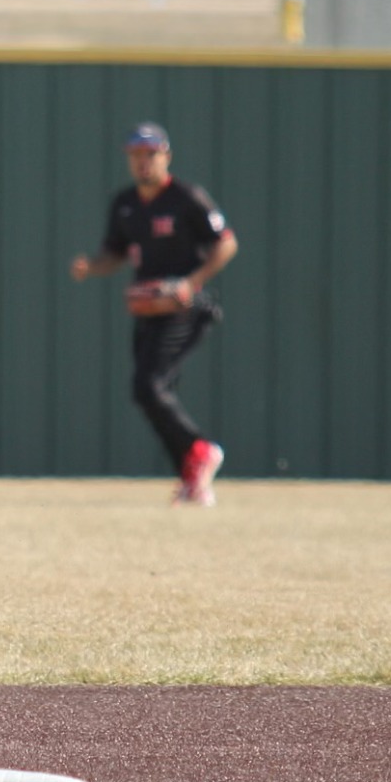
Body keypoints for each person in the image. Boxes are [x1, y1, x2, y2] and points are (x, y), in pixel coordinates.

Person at [70, 121, 239, 505]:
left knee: (149, 386)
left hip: (185, 306)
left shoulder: (186, 197)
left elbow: (225, 244)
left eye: (150, 154)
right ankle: (194, 478)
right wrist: (92, 266)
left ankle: (199, 451)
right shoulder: (125, 204)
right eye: (136, 155)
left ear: (166, 156)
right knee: (148, 392)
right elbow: (114, 252)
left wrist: (190, 283)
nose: (143, 162)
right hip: (148, 307)